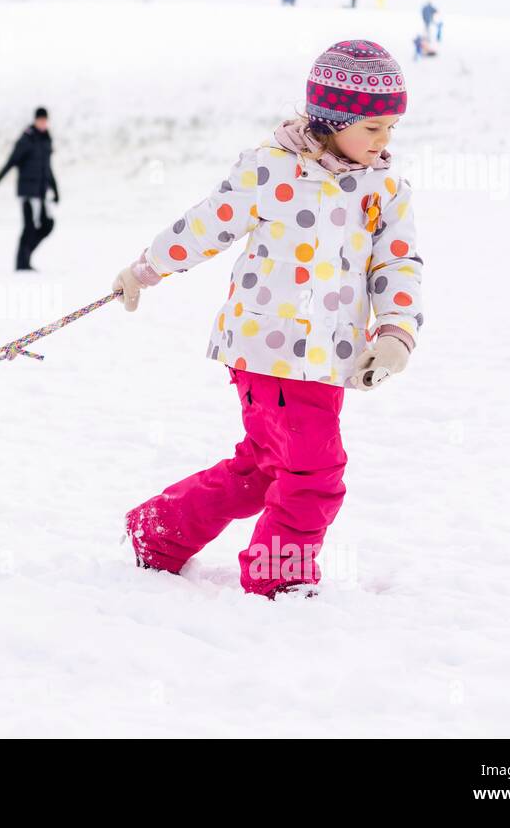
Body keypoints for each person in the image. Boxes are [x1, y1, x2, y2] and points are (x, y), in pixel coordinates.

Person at [114, 40, 423, 600]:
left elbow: (397, 263)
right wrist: (147, 268)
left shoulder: (386, 189)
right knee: (314, 476)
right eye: (374, 128)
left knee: (265, 467)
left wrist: (397, 331)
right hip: (266, 348)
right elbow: (209, 224)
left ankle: (159, 531)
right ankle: (280, 581)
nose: (384, 143)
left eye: (391, 130)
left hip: (330, 357)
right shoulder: (273, 170)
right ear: (334, 118)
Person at [0, 107, 59, 271]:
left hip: (41, 192)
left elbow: (48, 168)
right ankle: (22, 263)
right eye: (40, 120)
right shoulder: (27, 139)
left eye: (45, 120)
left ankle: (24, 258)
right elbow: (10, 162)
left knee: (47, 224)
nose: (42, 123)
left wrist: (55, 190)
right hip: (27, 192)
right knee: (29, 227)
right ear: (35, 120)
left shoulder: (46, 139)